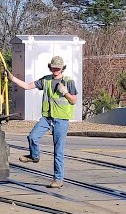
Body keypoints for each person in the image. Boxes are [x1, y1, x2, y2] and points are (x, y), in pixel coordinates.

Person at [7, 55, 78, 188]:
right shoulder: (45, 80)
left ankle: (58, 179)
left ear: (62, 69)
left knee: (58, 151)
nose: (55, 70)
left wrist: (65, 93)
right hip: (47, 118)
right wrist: (13, 78)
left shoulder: (68, 81)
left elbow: (74, 100)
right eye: (54, 67)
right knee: (32, 136)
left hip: (61, 119)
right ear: (50, 67)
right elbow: (28, 86)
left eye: (58, 68)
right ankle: (34, 156)